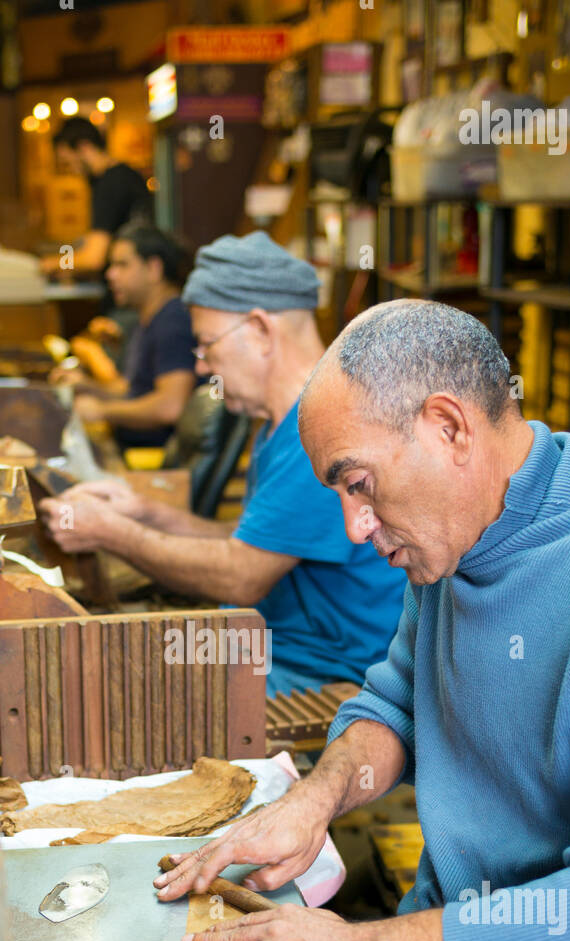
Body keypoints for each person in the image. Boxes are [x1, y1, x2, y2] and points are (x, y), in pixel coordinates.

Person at [155, 298, 570, 941]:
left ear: (447, 427)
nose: (354, 526)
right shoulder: (450, 537)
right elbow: (392, 703)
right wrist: (311, 802)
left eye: (357, 482)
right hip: (466, 938)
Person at [40, 232, 408, 697]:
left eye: (206, 345)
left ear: (258, 329)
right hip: (267, 644)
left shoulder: (323, 428)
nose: (199, 367)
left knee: (105, 684)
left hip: (323, 675)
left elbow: (242, 573)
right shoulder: (278, 422)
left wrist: (110, 533)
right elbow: (252, 539)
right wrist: (143, 512)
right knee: (105, 659)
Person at [50, 223, 195, 449]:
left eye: (122, 265)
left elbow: (170, 406)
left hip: (156, 460)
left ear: (154, 269)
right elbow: (132, 390)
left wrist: (100, 410)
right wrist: (87, 386)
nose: (110, 274)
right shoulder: (149, 317)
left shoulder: (173, 320)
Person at [43, 116, 151, 278]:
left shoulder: (110, 183)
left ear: (84, 147)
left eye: (69, 162)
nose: (72, 171)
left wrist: (52, 263)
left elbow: (94, 258)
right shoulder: (122, 175)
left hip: (131, 279)